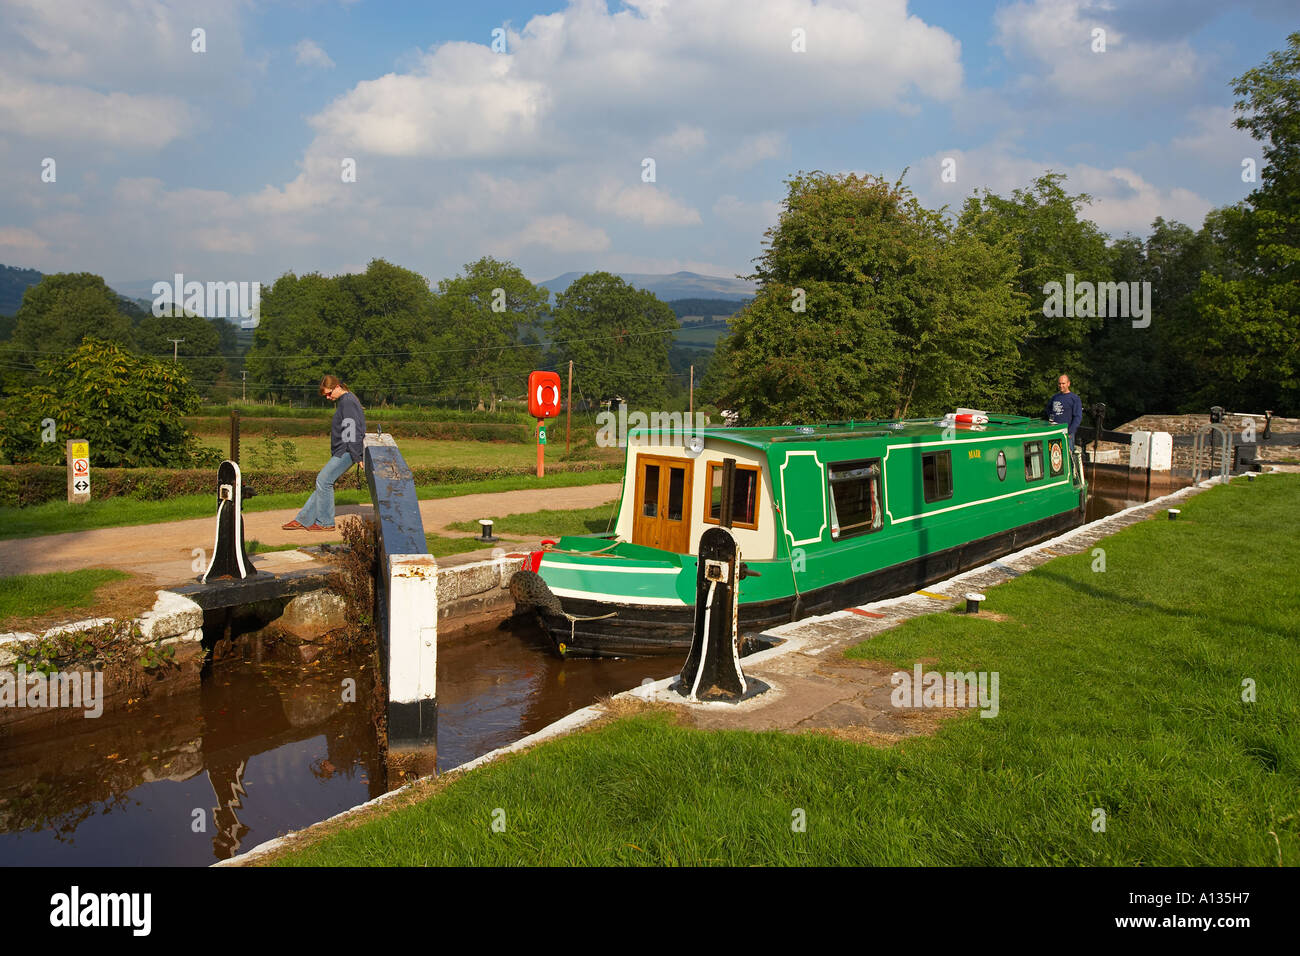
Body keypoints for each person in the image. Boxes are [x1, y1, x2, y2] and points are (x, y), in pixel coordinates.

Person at [282, 375, 365, 531]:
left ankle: (325, 523)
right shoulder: (346, 400)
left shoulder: (347, 402)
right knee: (323, 483)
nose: (328, 397)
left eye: (328, 393)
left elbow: (352, 430)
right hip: (345, 450)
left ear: (337, 387)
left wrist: (357, 456)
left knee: (323, 480)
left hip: (347, 450)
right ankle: (304, 519)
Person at [1044, 373, 1082, 450]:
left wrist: (1070, 432)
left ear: (1068, 383)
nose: (1061, 386)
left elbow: (1078, 417)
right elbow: (1048, 409)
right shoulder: (1055, 397)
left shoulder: (1075, 398)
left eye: (1063, 383)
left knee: (1067, 453)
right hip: (1054, 431)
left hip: (1067, 434)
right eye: (1059, 383)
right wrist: (1051, 418)